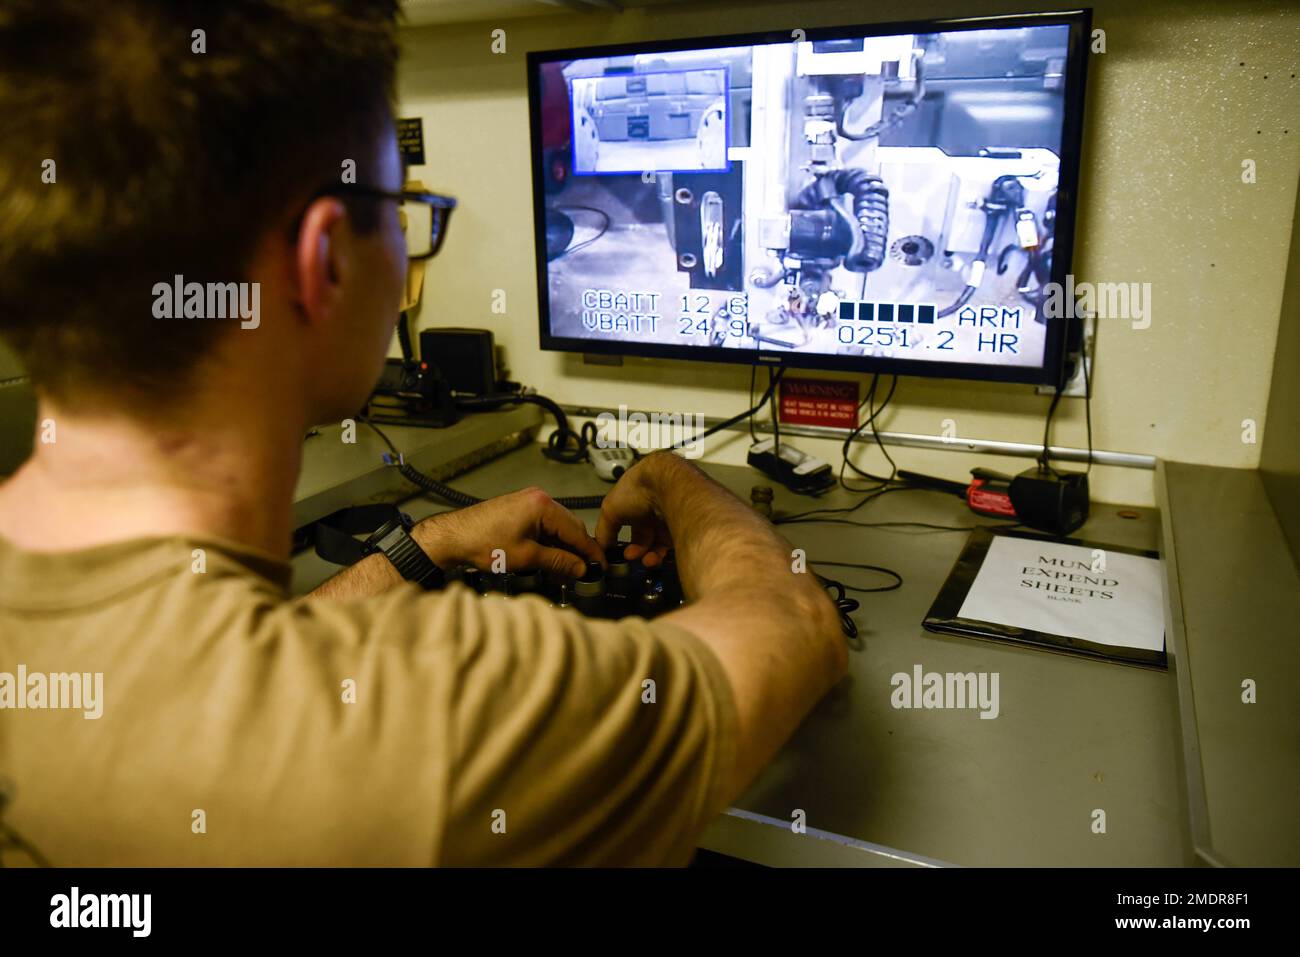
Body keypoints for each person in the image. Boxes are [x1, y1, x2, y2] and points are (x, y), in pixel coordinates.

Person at [0, 0, 845, 866]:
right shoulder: (437, 718)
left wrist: (423, 548)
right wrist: (670, 473)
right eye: (401, 210)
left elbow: (194, 683)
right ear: (325, 260)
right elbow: (790, 620)